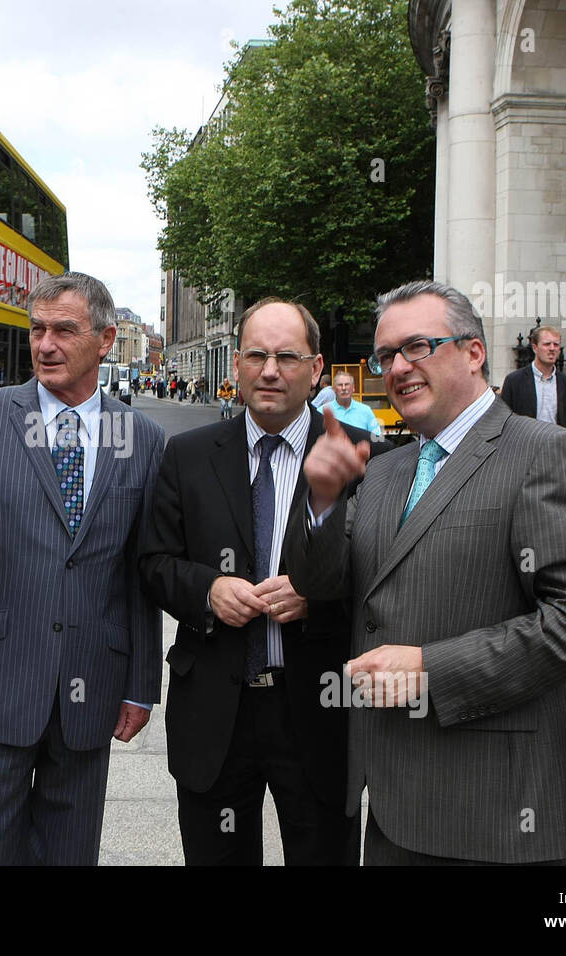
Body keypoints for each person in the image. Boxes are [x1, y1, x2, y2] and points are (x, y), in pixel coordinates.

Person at [292, 280, 566, 865]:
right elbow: (321, 586)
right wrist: (320, 500)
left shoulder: (545, 454)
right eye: (386, 355)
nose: (397, 367)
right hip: (391, 806)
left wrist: (429, 669)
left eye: (417, 346)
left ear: (474, 353)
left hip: (493, 813)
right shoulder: (385, 470)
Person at [0, 271, 165, 866]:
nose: (45, 345)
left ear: (104, 341)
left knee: (69, 853)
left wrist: (140, 687)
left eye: (63, 331)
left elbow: (139, 575)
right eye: (37, 329)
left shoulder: (141, 438)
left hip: (91, 688)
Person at [140, 298, 384, 866]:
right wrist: (207, 591)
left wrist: (316, 596)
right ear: (237, 367)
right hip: (216, 714)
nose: (269, 370)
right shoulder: (188, 456)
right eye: (256, 355)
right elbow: (153, 562)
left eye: (286, 356)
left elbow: (382, 577)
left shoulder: (363, 456)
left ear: (317, 368)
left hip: (319, 708)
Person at [499, 325, 566, 431]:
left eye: (556, 345)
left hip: (556, 444)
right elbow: (503, 420)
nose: (552, 348)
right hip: (525, 443)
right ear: (535, 348)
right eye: (547, 344)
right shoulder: (514, 381)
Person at [327, 371, 383, 439]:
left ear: (353, 388)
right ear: (334, 389)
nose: (344, 388)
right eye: (340, 385)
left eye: (347, 384)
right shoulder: (323, 411)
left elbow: (377, 439)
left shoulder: (366, 411)